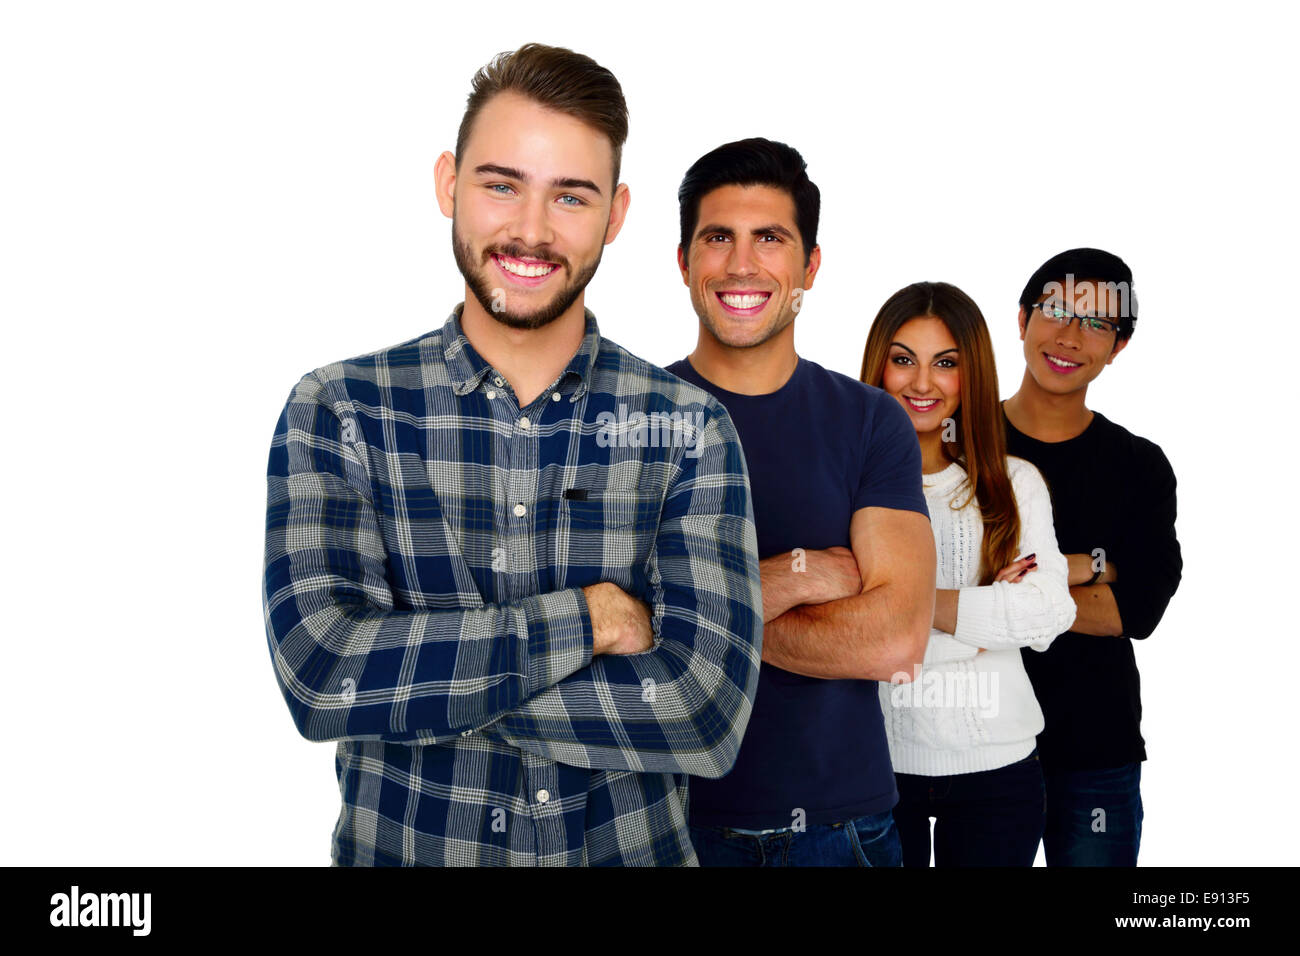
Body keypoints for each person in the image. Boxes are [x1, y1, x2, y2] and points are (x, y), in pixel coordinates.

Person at [261, 43, 764, 867]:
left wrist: (416, 681)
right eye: (501, 185)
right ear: (447, 184)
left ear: (617, 213)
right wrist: (589, 619)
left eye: (570, 195)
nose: (531, 231)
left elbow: (704, 714)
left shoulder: (689, 428)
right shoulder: (340, 410)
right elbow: (322, 678)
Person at [664, 138, 935, 866]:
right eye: (718, 237)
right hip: (666, 828)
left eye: (770, 239)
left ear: (809, 265)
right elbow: (605, 632)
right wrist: (795, 577)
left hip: (842, 832)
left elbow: (897, 638)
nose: (742, 265)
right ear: (684, 260)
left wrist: (692, 621)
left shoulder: (871, 419)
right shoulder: (624, 418)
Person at [862, 281, 1076, 866]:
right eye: (903, 359)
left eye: (946, 363)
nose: (922, 383)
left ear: (972, 373)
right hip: (875, 768)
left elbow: (1048, 614)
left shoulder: (1015, 482)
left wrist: (894, 600)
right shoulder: (846, 485)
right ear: (878, 365)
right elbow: (836, 622)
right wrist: (981, 618)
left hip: (998, 772)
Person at [1002, 248, 1182, 866]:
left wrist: (1007, 592)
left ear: (1118, 348)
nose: (1070, 336)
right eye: (1054, 310)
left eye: (1097, 324)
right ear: (1022, 319)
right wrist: (1088, 566)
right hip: (969, 750)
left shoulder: (1139, 466)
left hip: (1095, 750)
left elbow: (1138, 608)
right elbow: (926, 583)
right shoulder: (960, 441)